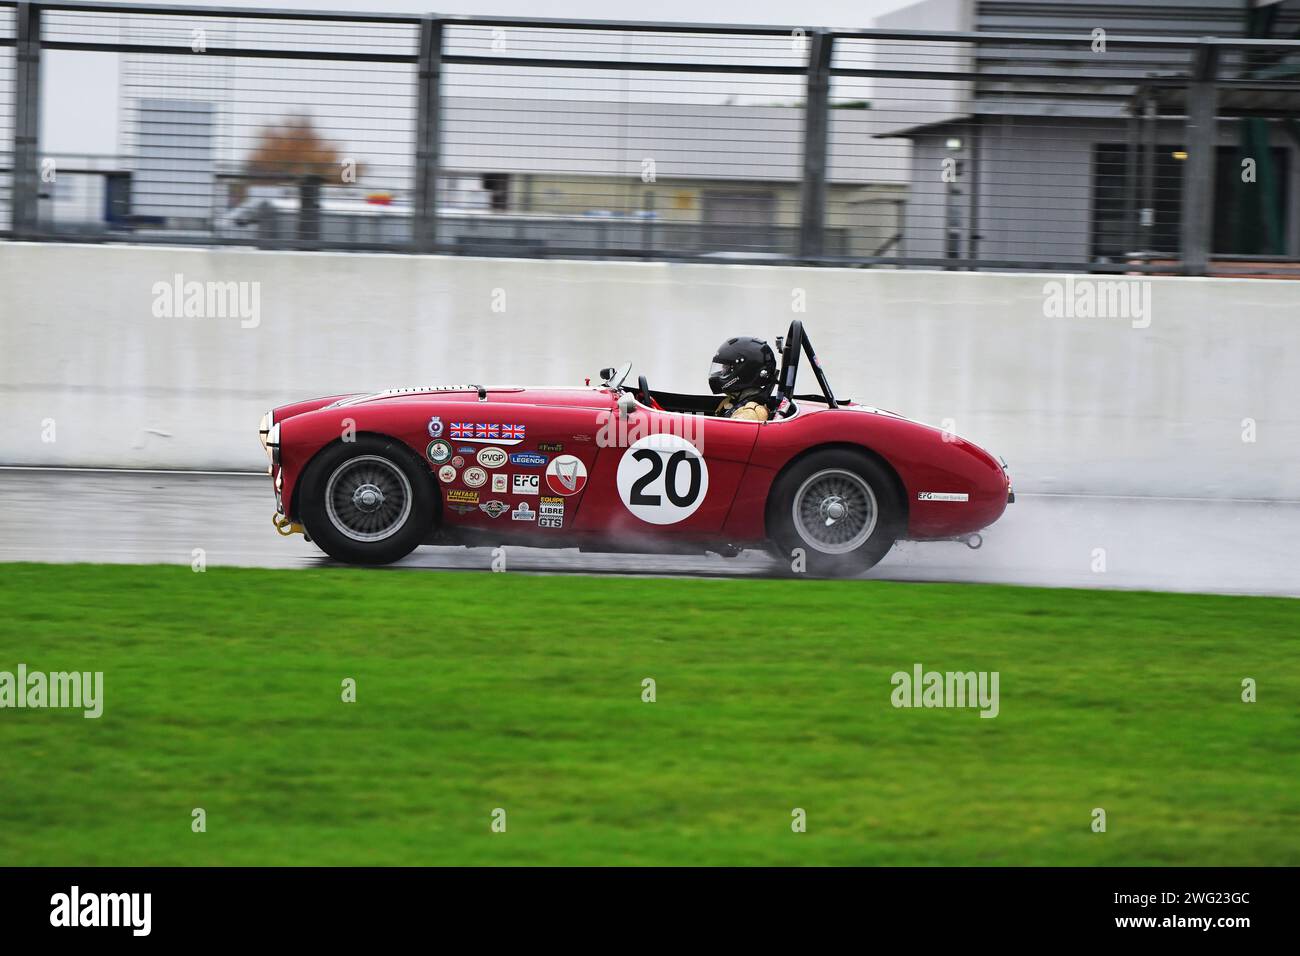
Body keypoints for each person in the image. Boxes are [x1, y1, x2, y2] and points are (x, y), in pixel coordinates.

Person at [709, 336, 777, 421]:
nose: (722, 372)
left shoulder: (750, 413)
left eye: (726, 368)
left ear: (745, 371)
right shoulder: (730, 402)